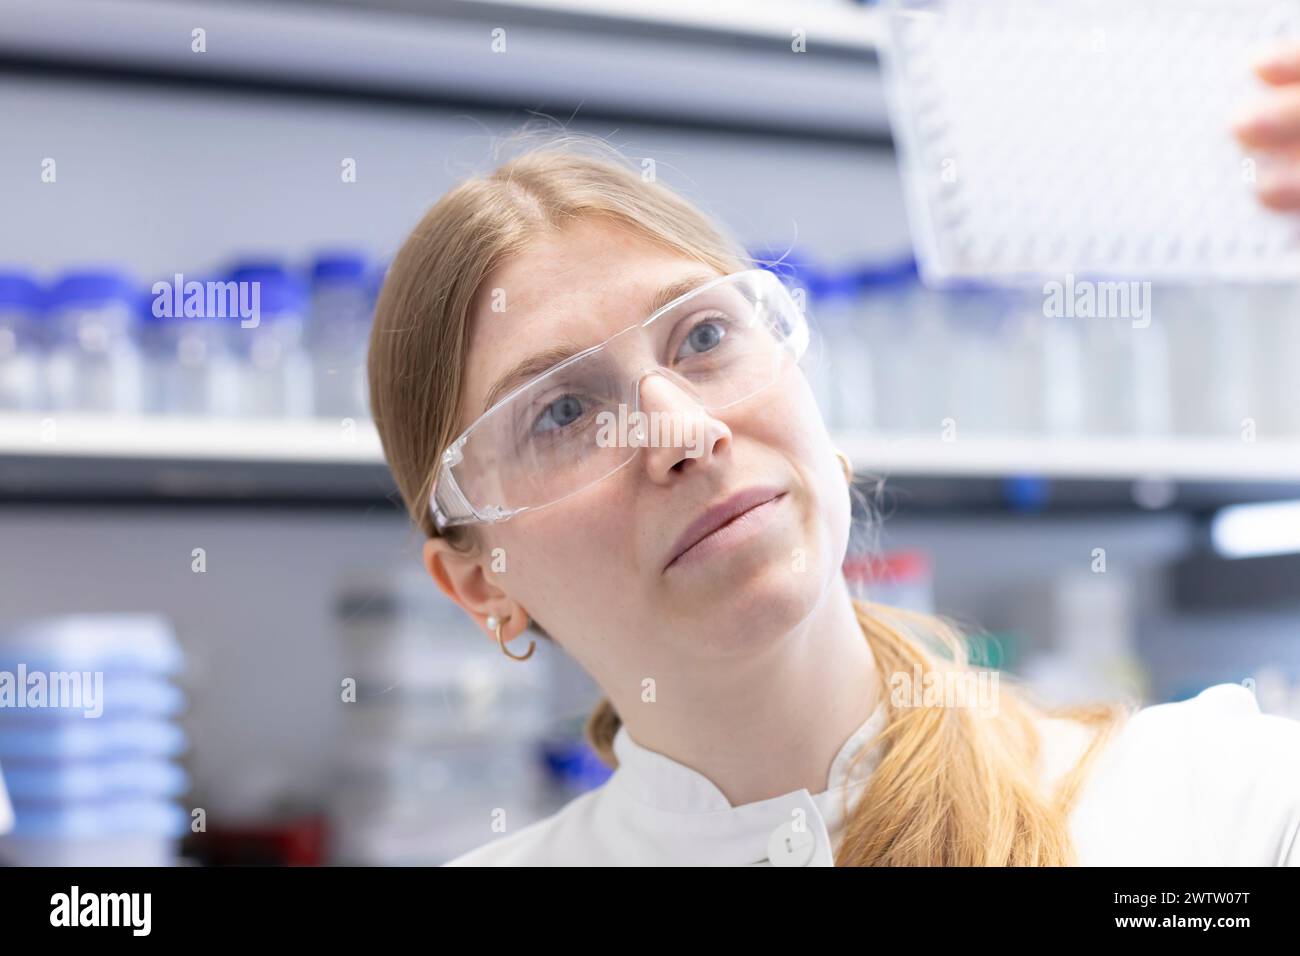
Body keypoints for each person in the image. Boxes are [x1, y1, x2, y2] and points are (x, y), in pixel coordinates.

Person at [364, 43, 1300, 866]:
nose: (685, 433)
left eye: (701, 338)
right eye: (563, 410)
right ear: (481, 583)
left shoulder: (1208, 812)